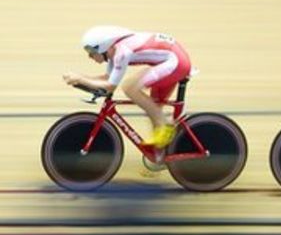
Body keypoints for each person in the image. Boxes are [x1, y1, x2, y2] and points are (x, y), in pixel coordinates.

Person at [62, 25, 192, 148]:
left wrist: (81, 79)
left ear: (103, 47)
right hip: (172, 61)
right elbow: (107, 79)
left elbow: (110, 87)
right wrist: (81, 78)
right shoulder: (114, 51)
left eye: (91, 51)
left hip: (176, 63)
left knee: (130, 87)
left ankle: (165, 124)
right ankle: (160, 154)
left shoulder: (122, 52)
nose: (90, 56)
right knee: (153, 107)